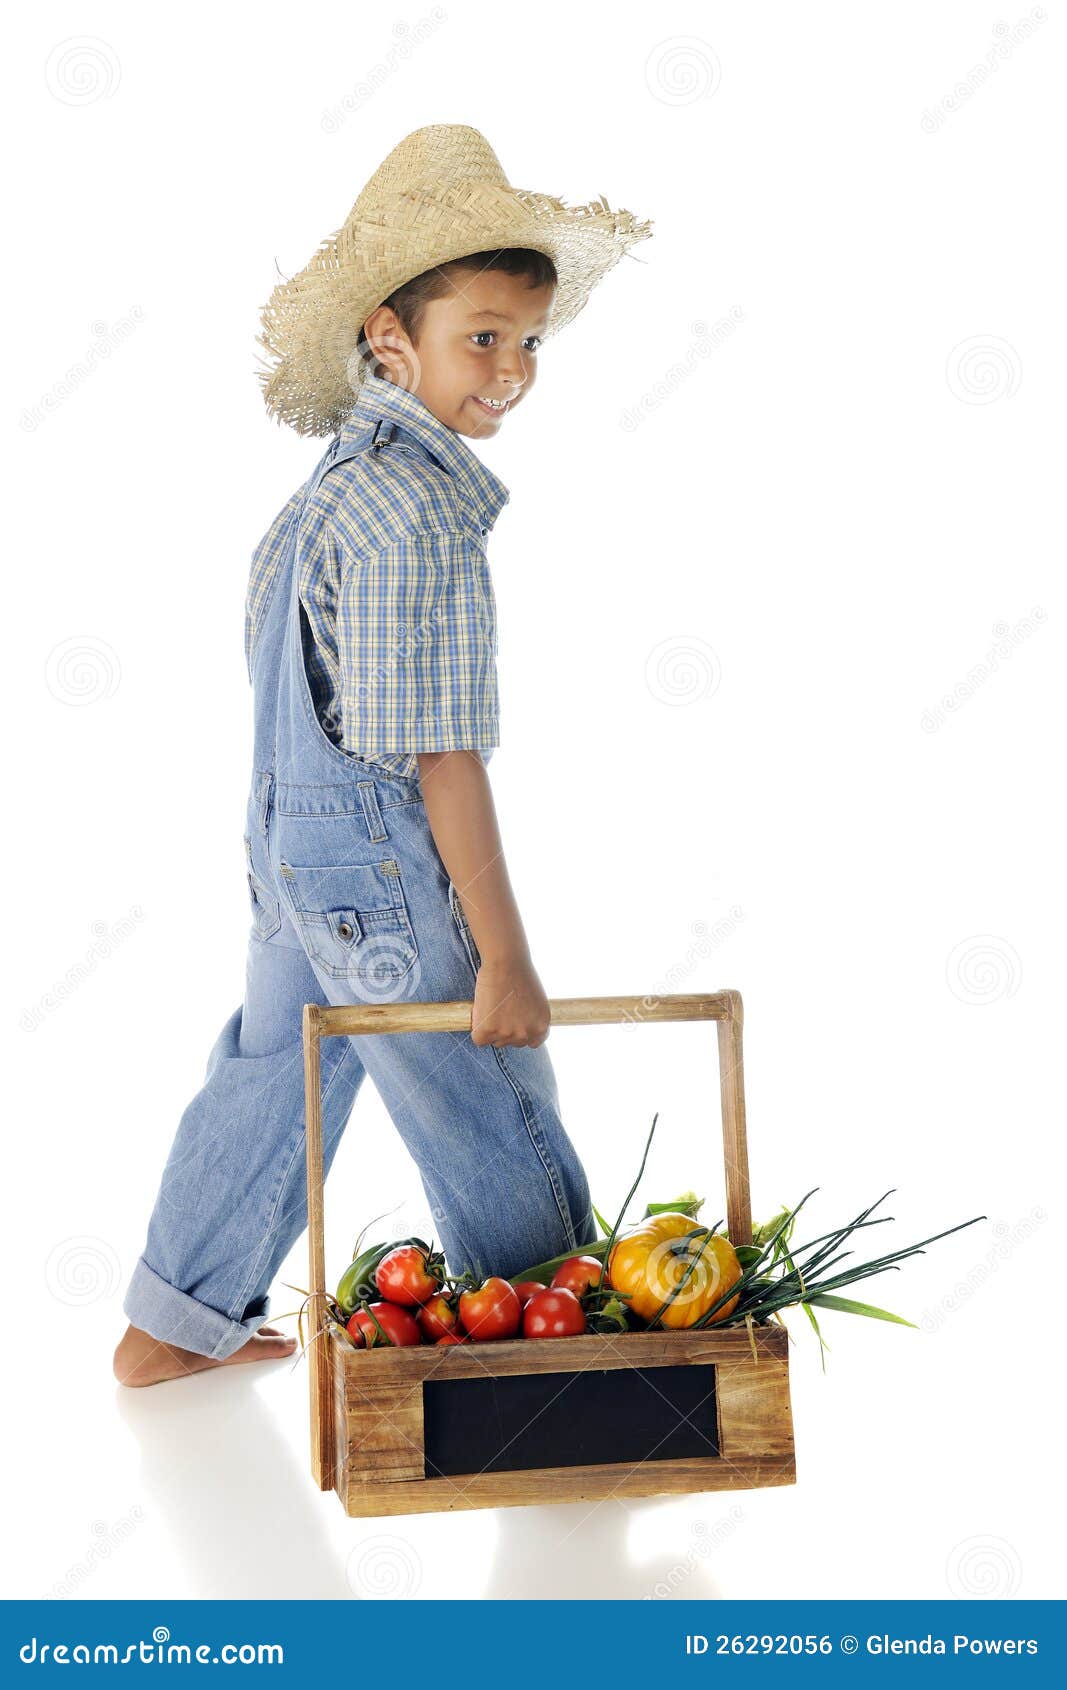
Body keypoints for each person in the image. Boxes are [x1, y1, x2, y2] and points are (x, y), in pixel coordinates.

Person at [114, 123, 652, 1386]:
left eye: (529, 340)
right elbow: (439, 760)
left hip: (289, 852)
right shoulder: (418, 513)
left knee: (270, 1072)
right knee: (481, 1089)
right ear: (387, 337)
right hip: (378, 858)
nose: (512, 368)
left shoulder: (328, 494)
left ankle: (170, 1325)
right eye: (482, 336)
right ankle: (562, 1368)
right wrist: (505, 956)